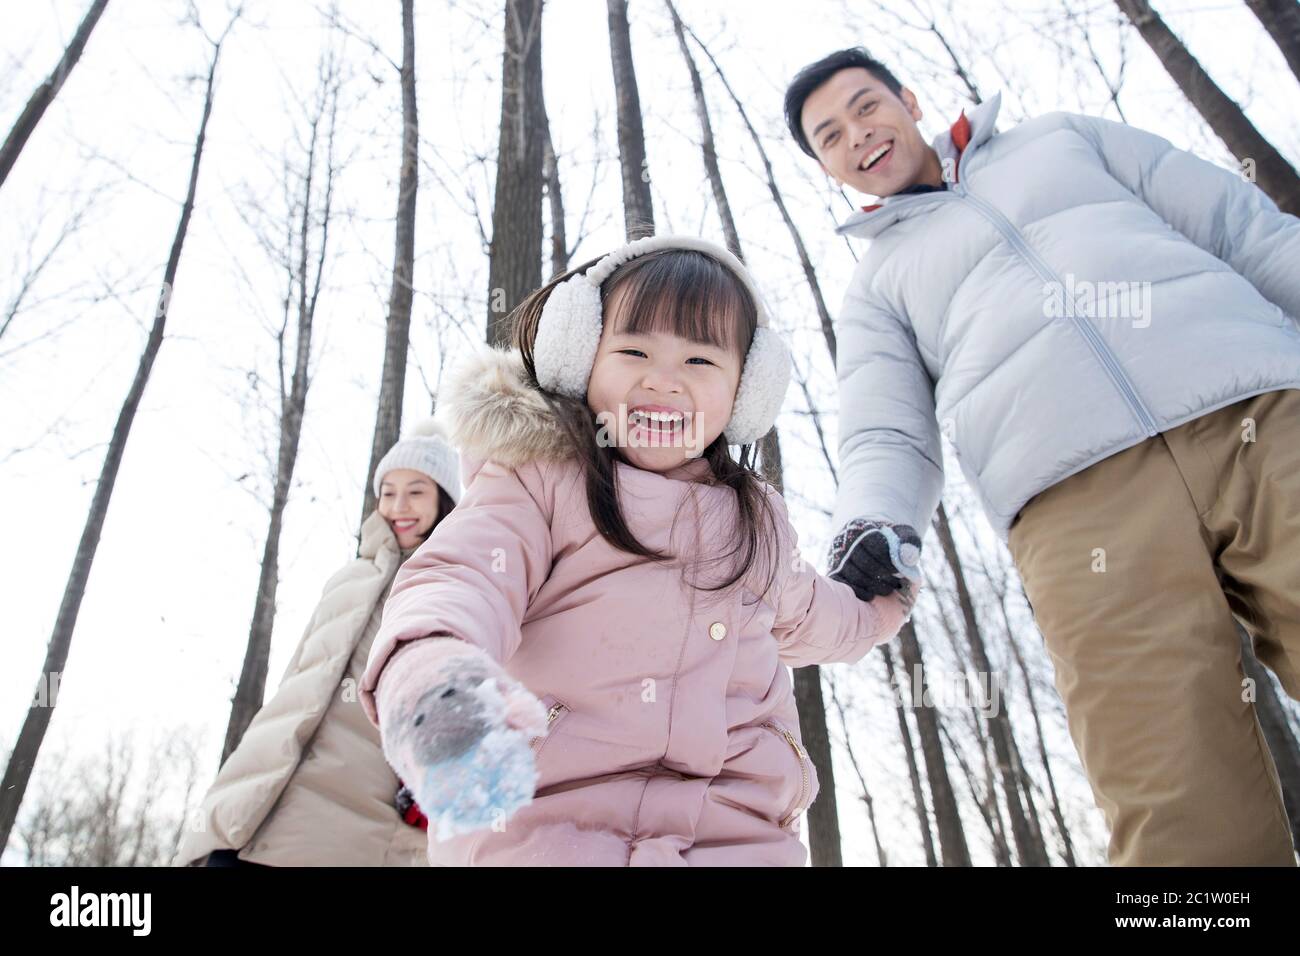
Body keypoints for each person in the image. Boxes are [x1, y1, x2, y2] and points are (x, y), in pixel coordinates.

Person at [784, 47, 1300, 865]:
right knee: (1172, 790)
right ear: (827, 168)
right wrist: (873, 527)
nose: (858, 134)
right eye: (830, 136)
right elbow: (887, 433)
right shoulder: (878, 287)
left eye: (865, 105)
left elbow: (1241, 228)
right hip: (1075, 508)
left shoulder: (1061, 139)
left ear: (908, 99)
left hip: (1259, 415)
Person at [357, 235, 917, 866]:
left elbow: (822, 617)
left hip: (738, 840)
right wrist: (433, 678)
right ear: (580, 360)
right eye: (633, 351)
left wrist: (878, 601)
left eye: (701, 362)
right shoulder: (536, 482)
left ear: (747, 390)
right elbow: (461, 577)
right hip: (549, 833)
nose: (664, 381)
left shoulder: (761, 527)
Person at [173, 421, 461, 866]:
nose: (398, 506)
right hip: (259, 800)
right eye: (388, 492)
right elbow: (295, 681)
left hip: (357, 819)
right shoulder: (348, 580)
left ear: (444, 499)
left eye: (416, 491)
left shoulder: (452, 590)